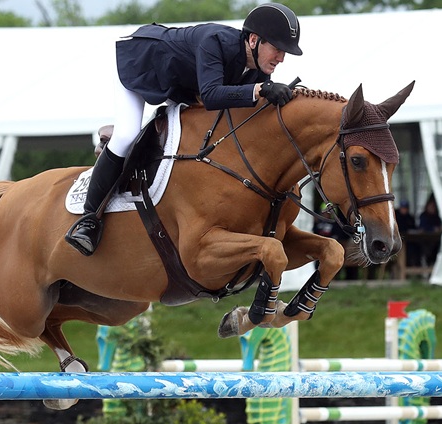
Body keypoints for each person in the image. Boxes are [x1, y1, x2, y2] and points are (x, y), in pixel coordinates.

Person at [65, 2, 304, 256]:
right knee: (126, 135)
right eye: (277, 49)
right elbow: (212, 96)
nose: (281, 58)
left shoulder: (256, 69)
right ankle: (88, 221)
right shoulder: (215, 41)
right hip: (142, 65)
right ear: (254, 40)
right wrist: (259, 91)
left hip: (184, 85)